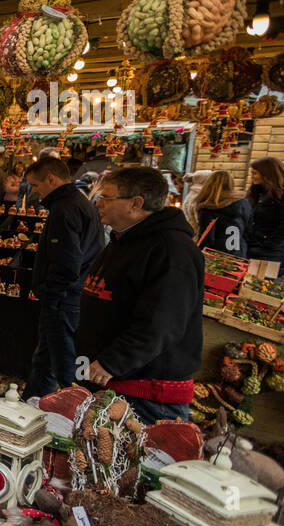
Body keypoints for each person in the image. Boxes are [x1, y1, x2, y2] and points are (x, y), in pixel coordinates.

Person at [76, 167, 203, 423]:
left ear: (135, 204)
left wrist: (113, 362)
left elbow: (161, 323)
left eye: (108, 197)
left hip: (146, 397)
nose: (99, 202)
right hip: (111, 382)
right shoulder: (124, 239)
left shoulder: (171, 251)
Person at [24, 156, 104, 398]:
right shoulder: (78, 202)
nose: (35, 193)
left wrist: (52, 295)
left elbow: (66, 262)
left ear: (51, 178)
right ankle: (33, 402)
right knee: (47, 357)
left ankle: (73, 410)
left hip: (64, 298)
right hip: (71, 294)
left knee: (62, 361)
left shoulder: (64, 209)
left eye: (36, 186)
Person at [195, 170, 252, 257]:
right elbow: (248, 230)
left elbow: (207, 238)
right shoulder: (244, 203)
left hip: (216, 256)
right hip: (239, 252)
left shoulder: (209, 207)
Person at [247, 157, 284, 263]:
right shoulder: (257, 192)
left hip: (270, 251)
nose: (252, 177)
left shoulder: (280, 196)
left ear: (267, 174)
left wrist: (268, 243)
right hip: (254, 245)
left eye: (254, 173)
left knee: (262, 279)